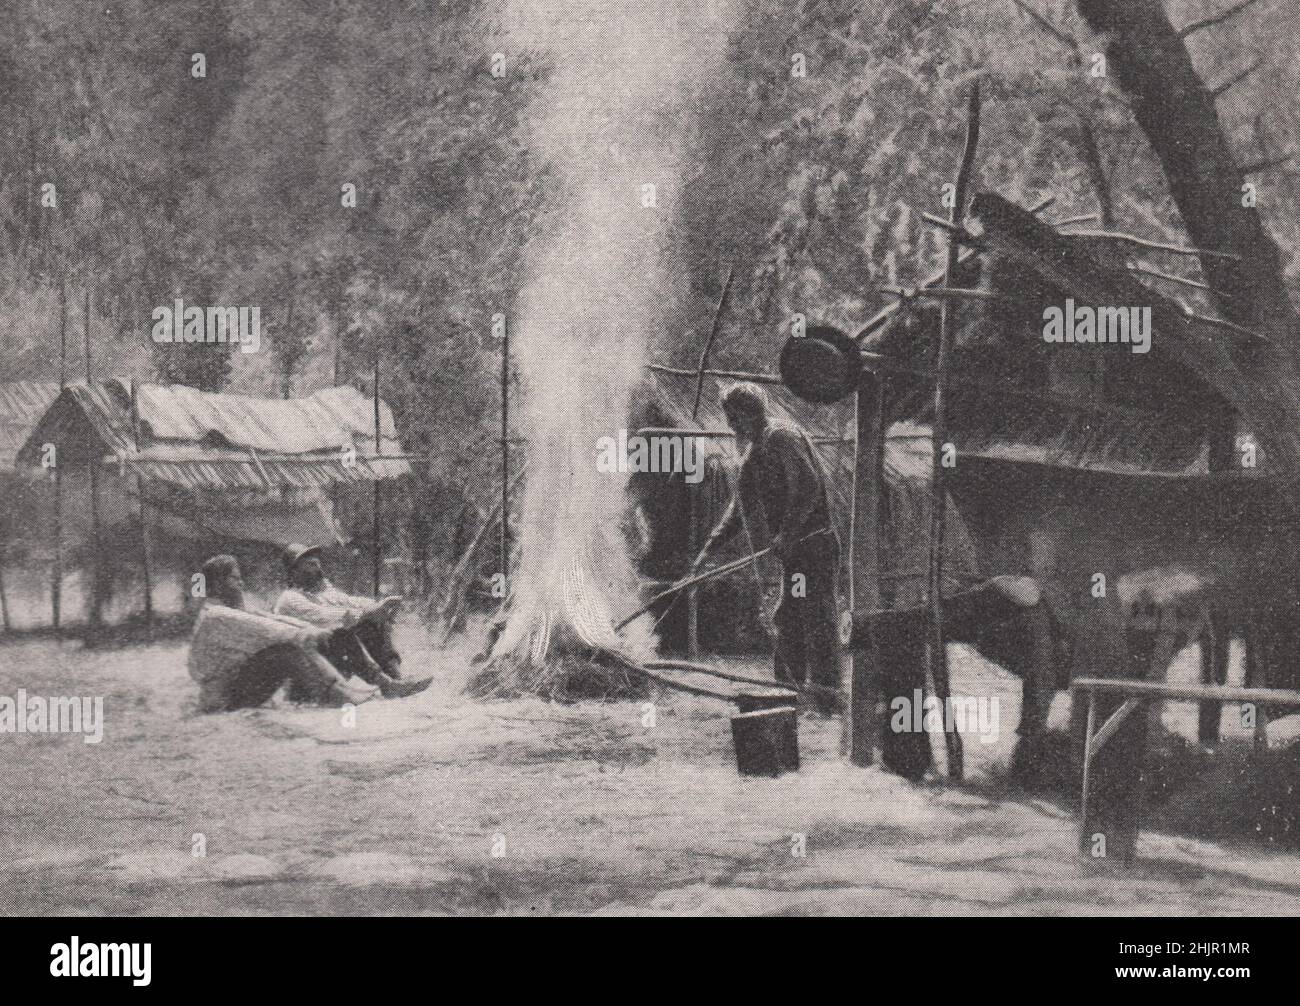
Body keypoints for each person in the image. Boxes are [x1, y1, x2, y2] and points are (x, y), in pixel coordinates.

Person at [694, 384, 842, 707]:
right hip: (794, 554)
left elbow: (808, 488)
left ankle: (827, 695)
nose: (731, 426)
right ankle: (788, 692)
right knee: (788, 616)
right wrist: (708, 551)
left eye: (735, 418)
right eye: (728, 419)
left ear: (751, 414)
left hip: (814, 547)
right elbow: (737, 512)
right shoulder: (753, 456)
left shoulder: (781, 439)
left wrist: (787, 532)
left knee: (818, 616)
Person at [188, 554, 376, 714]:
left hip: (232, 688)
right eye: (235, 579)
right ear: (218, 584)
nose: (241, 583)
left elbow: (268, 618)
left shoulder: (221, 610)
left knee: (306, 641)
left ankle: (344, 690)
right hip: (222, 698)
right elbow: (266, 627)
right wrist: (309, 634)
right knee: (285, 652)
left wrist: (312, 631)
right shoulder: (216, 615)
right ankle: (342, 696)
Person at [273, 544, 430, 698]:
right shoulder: (290, 599)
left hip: (327, 664)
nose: (318, 569)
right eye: (310, 564)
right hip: (305, 674)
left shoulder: (322, 593)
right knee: (341, 634)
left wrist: (380, 606)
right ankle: (387, 684)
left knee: (373, 624)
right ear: (294, 572)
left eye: (317, 563)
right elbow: (327, 616)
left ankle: (395, 681)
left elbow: (349, 601)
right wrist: (368, 613)